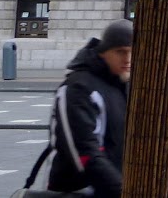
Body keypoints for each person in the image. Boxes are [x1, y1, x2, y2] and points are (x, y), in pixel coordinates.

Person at [44, 19, 131, 198]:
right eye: (120, 52)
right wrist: (123, 190)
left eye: (133, 52)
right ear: (103, 52)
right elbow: (83, 151)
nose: (127, 59)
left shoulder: (121, 84)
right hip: (75, 191)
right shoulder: (78, 87)